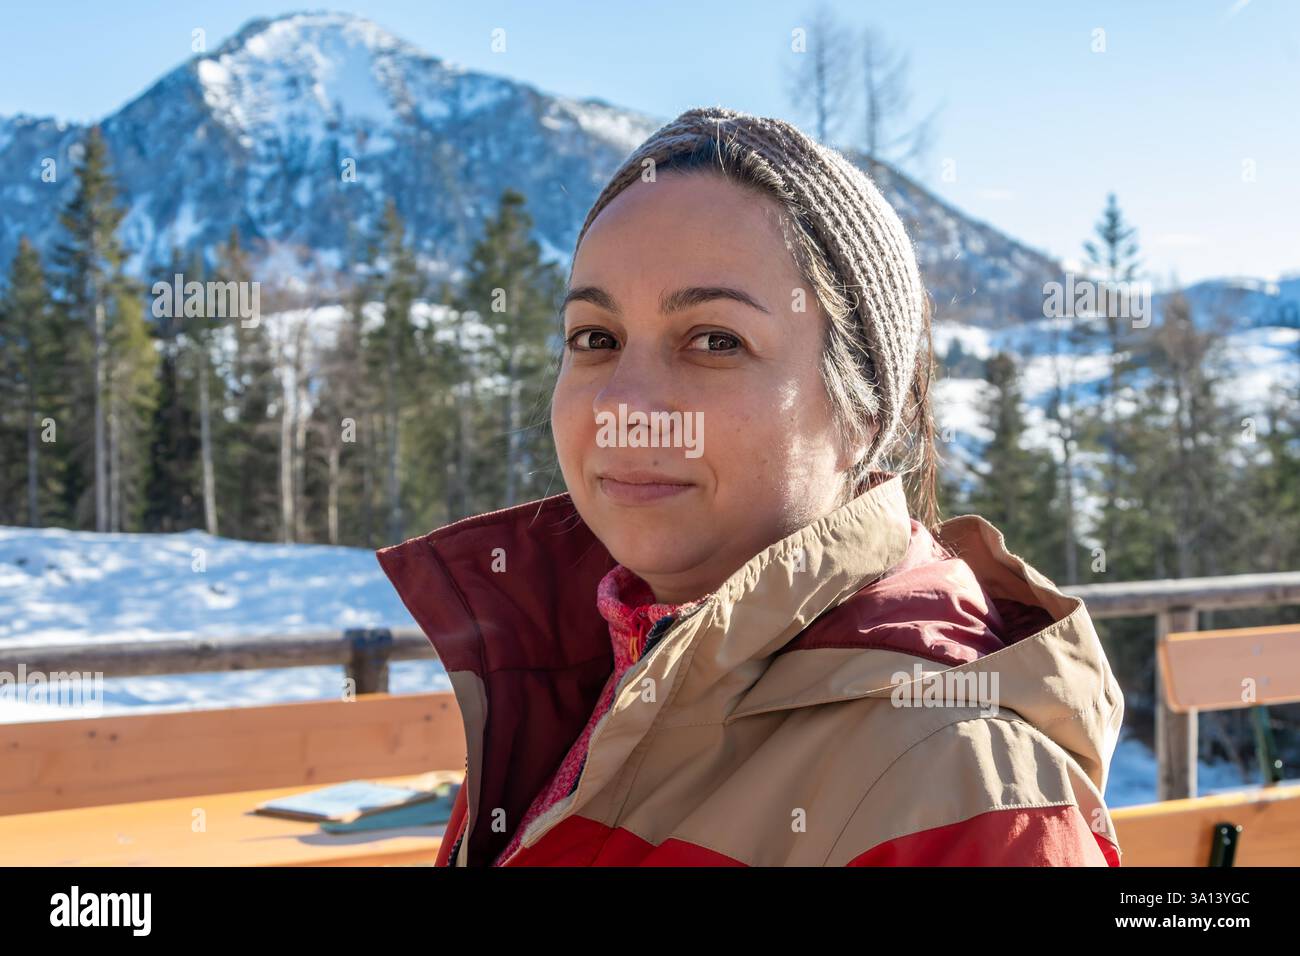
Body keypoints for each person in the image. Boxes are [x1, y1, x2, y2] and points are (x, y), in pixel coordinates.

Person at [377, 106, 1125, 867]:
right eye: (595, 339)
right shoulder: (566, 683)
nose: (623, 407)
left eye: (714, 340)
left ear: (864, 411)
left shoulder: (960, 786)